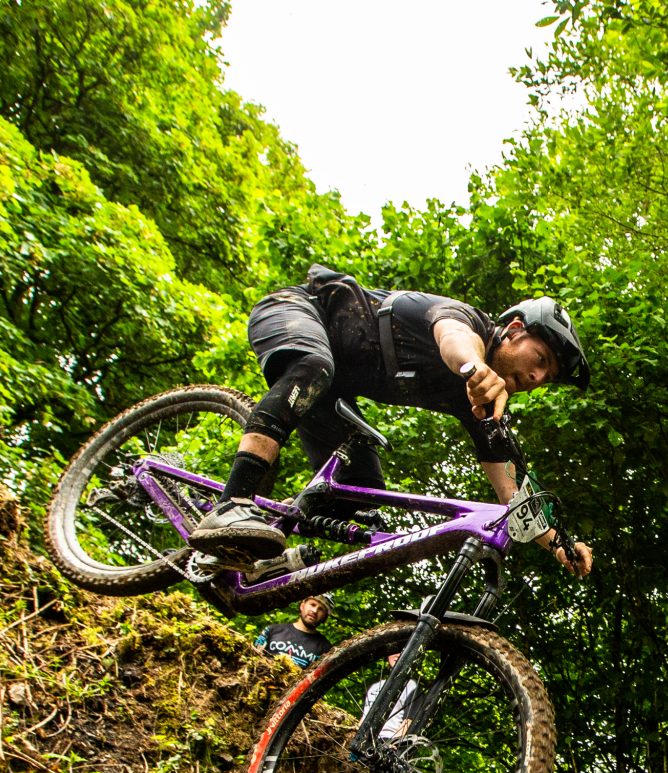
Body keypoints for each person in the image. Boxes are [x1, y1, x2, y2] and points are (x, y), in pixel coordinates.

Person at [190, 264, 594, 577]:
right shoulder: (464, 322)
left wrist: (558, 542)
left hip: (330, 390)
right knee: (314, 365)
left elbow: (511, 493)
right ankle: (232, 503)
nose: (538, 378)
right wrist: (474, 368)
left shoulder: (482, 406)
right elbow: (453, 340)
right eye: (540, 360)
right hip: (298, 311)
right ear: (514, 330)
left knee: (360, 494)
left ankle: (257, 556)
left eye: (548, 377)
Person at [255, 594, 334, 668]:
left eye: (321, 609)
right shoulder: (272, 630)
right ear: (302, 606)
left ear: (325, 618)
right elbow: (251, 658)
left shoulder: (326, 649)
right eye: (312, 604)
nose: (315, 610)